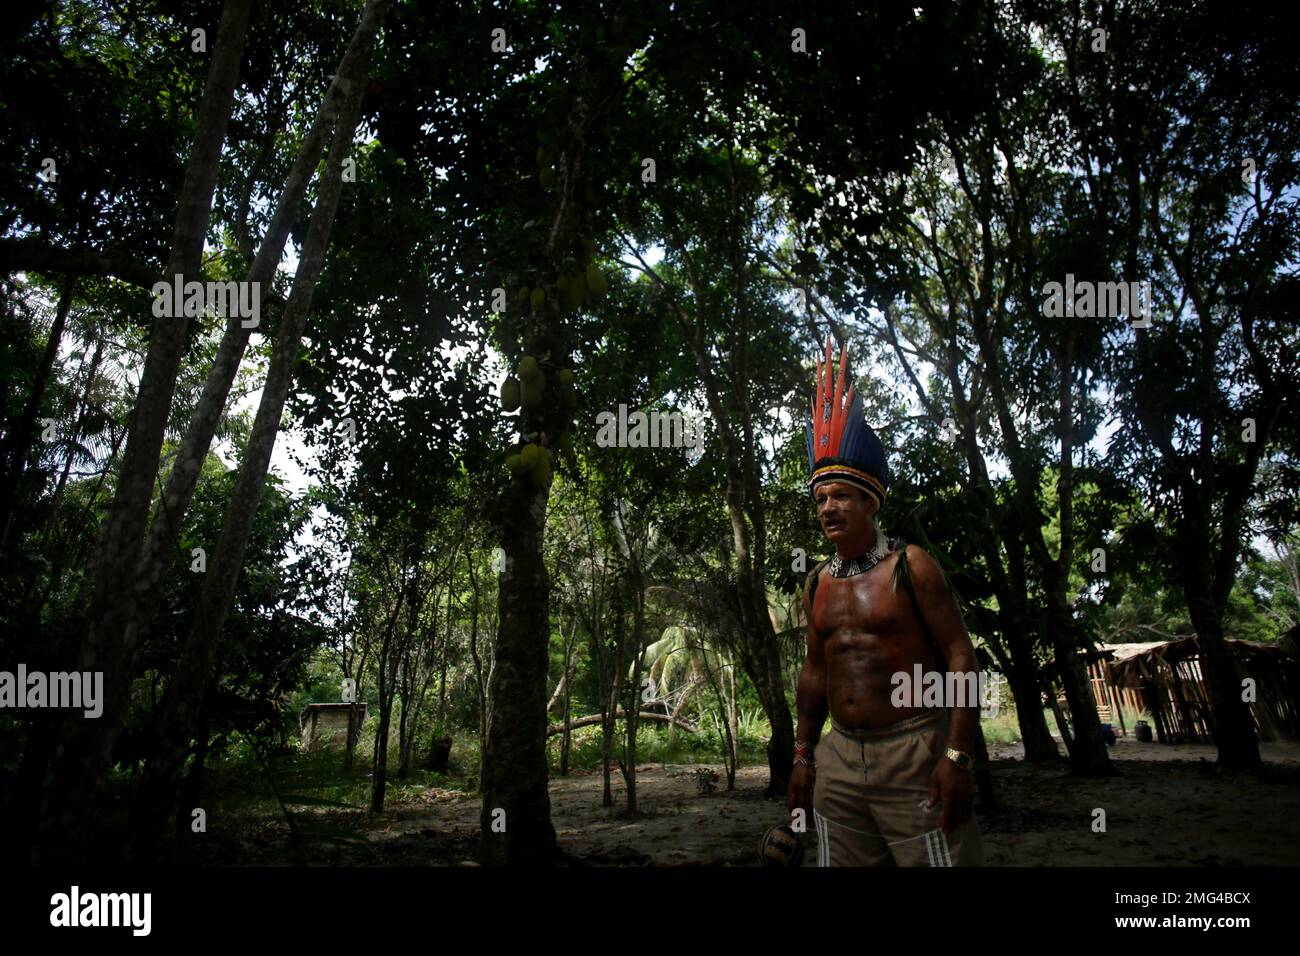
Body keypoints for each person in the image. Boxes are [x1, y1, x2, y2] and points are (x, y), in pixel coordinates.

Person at [787, 339, 986, 866]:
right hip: (839, 757)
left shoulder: (909, 564)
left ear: (870, 502)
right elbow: (813, 676)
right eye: (821, 498)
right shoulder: (817, 583)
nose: (828, 508)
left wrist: (958, 755)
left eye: (841, 496)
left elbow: (961, 654)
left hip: (913, 748)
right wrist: (804, 756)